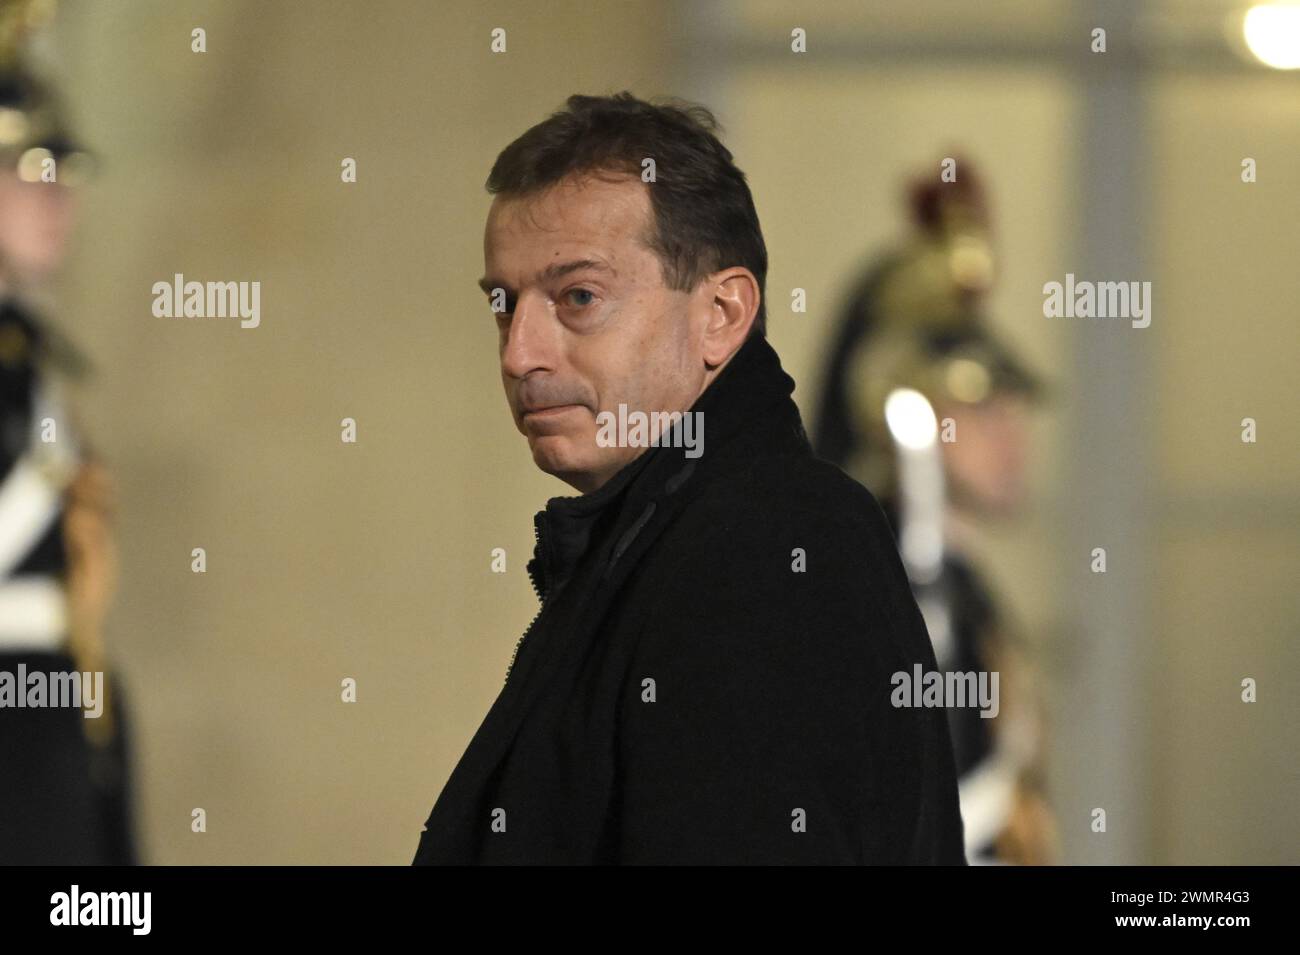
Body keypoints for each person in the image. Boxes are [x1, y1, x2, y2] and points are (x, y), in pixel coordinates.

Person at [413, 92, 965, 865]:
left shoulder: (770, 545)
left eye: (578, 297)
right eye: (504, 305)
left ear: (722, 313)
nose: (519, 354)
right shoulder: (666, 538)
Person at [811, 162, 1058, 863]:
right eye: (978, 405)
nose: (1012, 434)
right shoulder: (882, 583)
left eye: (1014, 406)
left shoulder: (964, 591)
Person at [0, 7, 137, 866]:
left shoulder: (31, 359)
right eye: (33, 169)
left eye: (70, 171)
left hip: (52, 703)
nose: (64, 197)